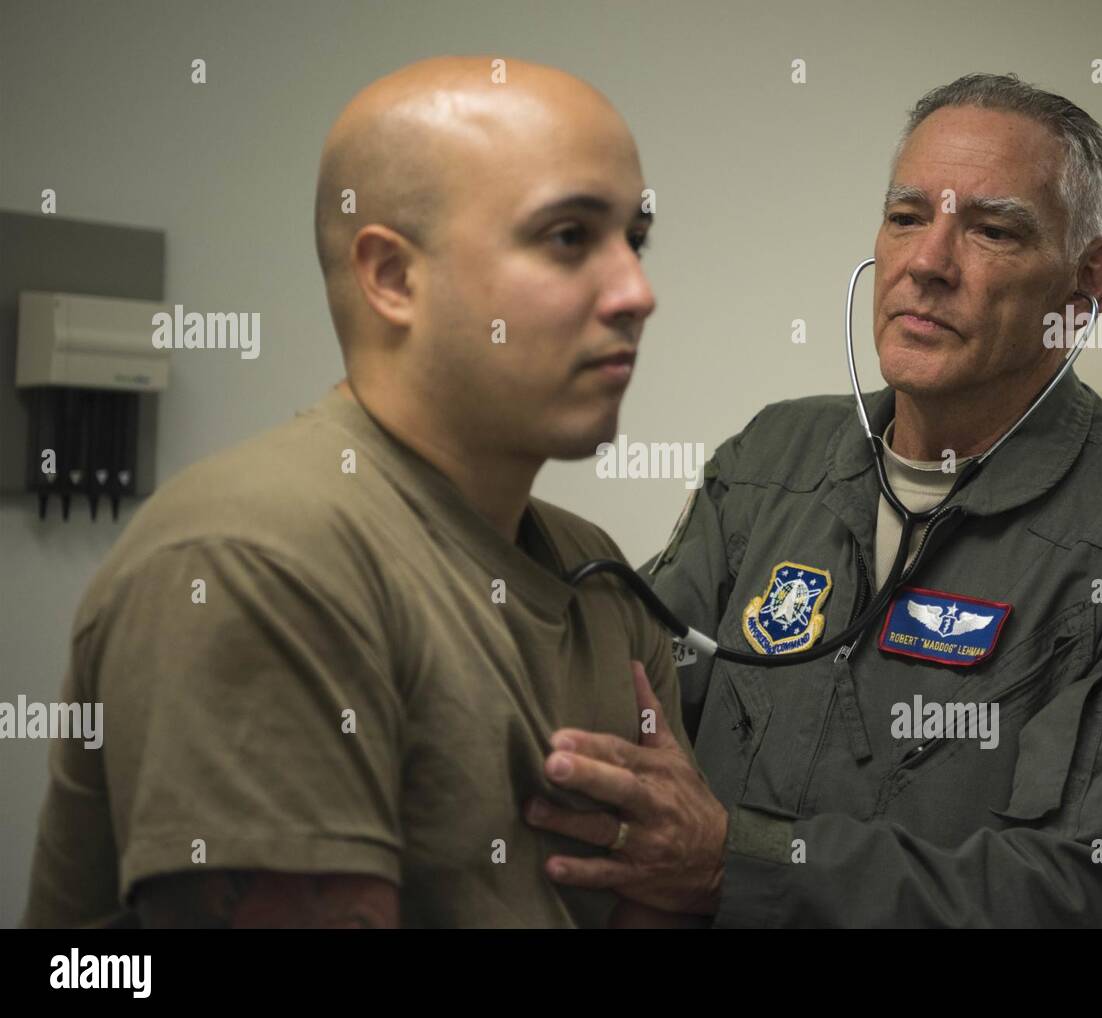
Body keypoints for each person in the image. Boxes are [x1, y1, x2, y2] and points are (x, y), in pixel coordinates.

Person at [525, 73, 1102, 927]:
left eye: (993, 230)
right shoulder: (773, 460)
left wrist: (737, 866)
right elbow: (615, 704)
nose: (929, 263)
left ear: (1085, 289)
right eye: (905, 217)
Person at [22, 55, 690, 928]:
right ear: (392, 278)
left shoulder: (598, 581)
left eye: (633, 241)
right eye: (569, 237)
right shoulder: (260, 557)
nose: (637, 292)